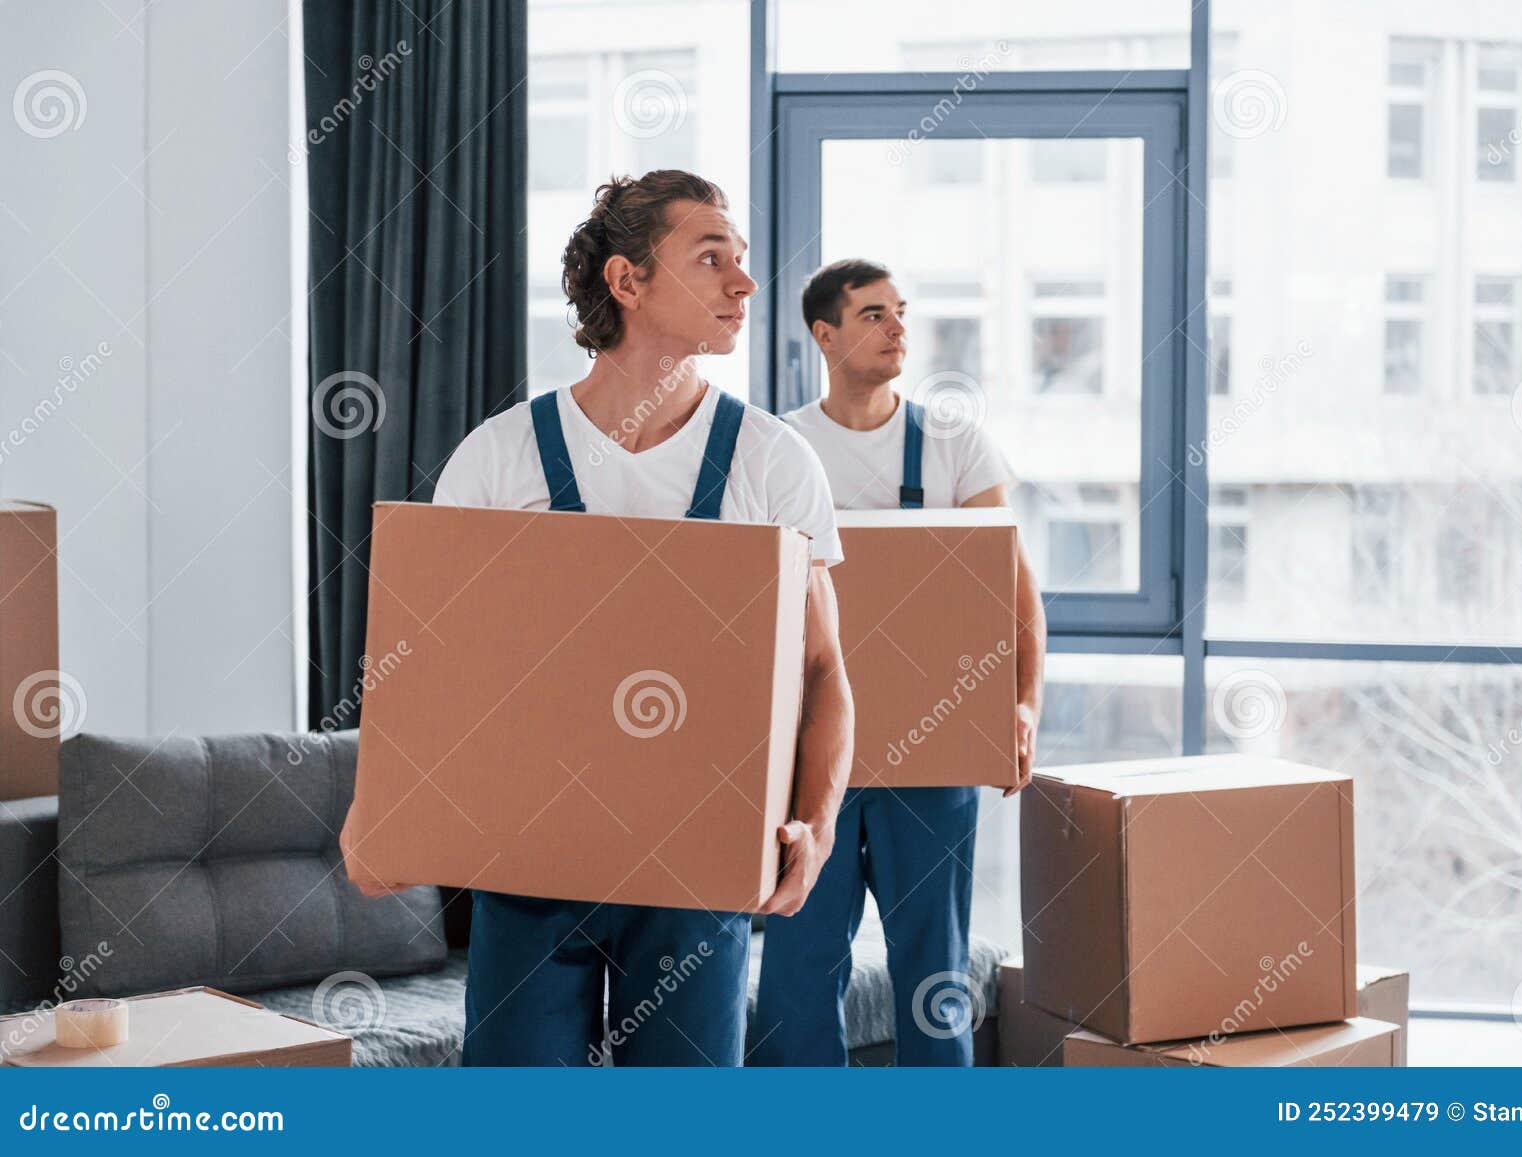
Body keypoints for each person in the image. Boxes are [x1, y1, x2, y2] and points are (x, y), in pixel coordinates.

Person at [354, 171, 854, 1067]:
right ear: (627, 280)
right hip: (529, 867)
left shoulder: (773, 462)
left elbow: (822, 672)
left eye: (741, 260)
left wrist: (814, 826)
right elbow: (425, 668)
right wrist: (378, 810)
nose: (744, 282)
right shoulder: (501, 459)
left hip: (697, 875)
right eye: (712, 259)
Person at [750, 258, 1046, 1067]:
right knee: (799, 962)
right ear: (825, 335)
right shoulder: (779, 448)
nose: (897, 328)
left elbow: (1014, 590)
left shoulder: (955, 442)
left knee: (935, 967)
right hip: (813, 760)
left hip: (934, 753)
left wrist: (1023, 706)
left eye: (901, 311)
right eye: (873, 314)